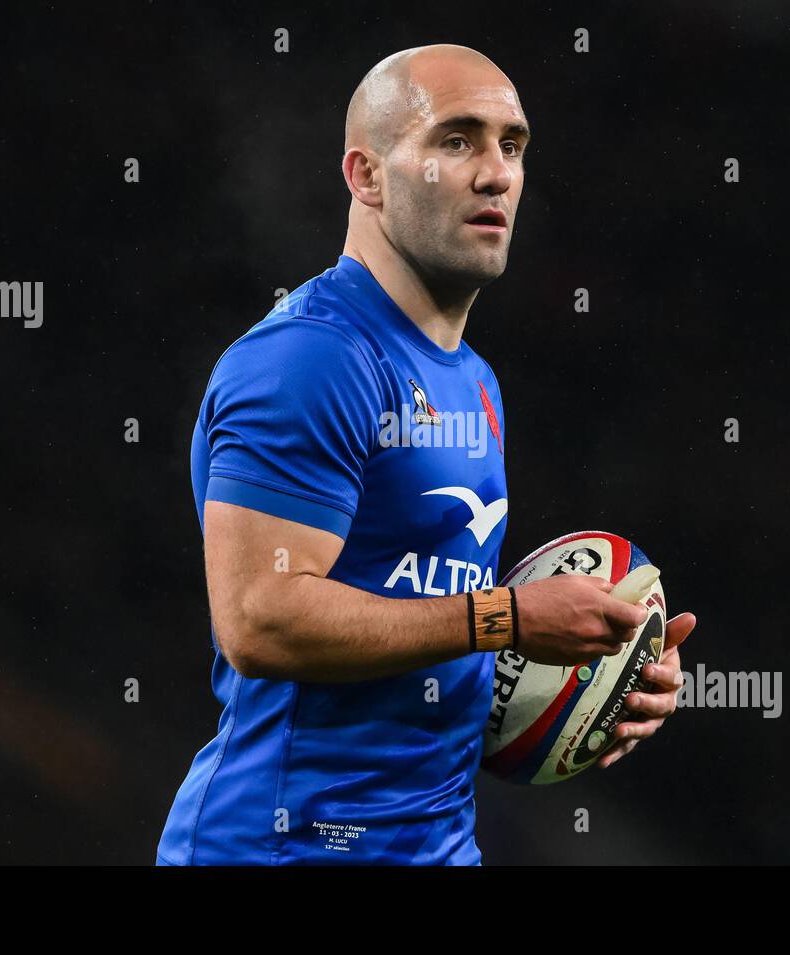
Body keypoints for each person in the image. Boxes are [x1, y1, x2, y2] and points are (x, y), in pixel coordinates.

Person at [157, 43, 697, 866]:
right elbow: (260, 619)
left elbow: (413, 647)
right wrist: (511, 620)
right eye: (456, 141)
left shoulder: (471, 380)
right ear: (366, 176)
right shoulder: (312, 357)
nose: (496, 174)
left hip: (436, 847)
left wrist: (587, 694)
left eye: (511, 146)